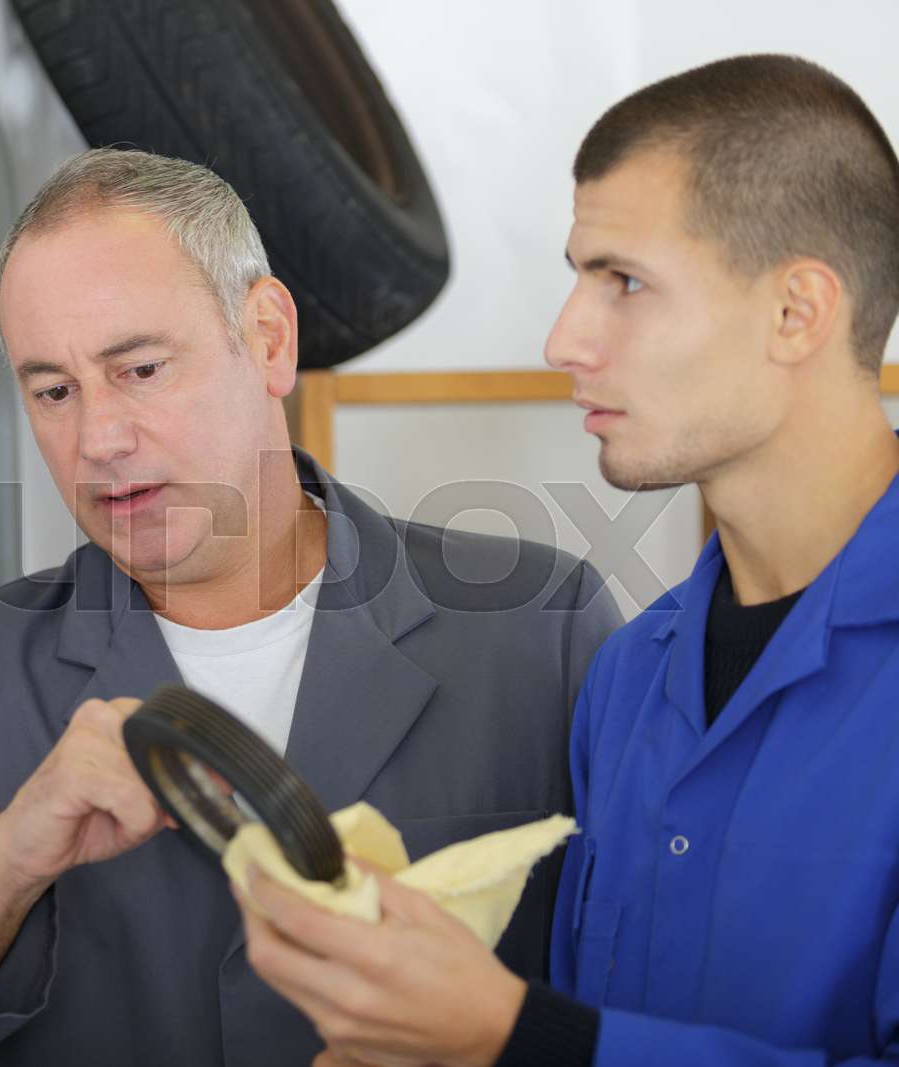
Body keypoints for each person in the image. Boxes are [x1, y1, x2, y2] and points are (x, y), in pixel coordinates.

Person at [0, 148, 621, 1065]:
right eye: (54, 391)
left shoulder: (541, 632)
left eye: (141, 369)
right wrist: (3, 864)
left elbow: (655, 992)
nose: (99, 438)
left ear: (269, 339)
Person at [236, 53, 899, 1067]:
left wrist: (511, 1032)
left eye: (623, 281)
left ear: (796, 312)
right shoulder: (628, 678)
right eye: (577, 275)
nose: (562, 340)